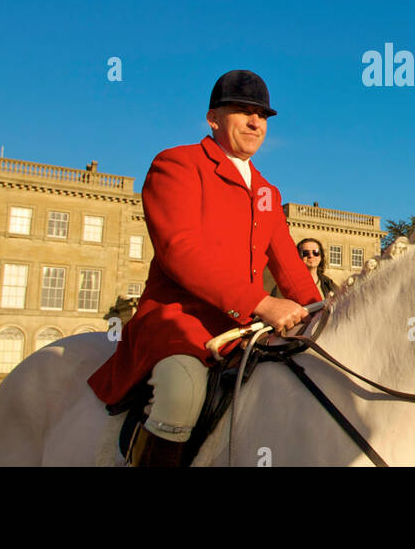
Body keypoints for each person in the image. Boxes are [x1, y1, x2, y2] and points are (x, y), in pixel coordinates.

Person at [87, 70, 322, 467]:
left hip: (244, 330)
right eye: (243, 112)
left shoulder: (267, 192)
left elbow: (289, 266)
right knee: (182, 393)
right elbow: (179, 251)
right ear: (213, 118)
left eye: (262, 116)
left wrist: (322, 312)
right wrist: (261, 303)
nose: (255, 123)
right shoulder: (176, 163)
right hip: (177, 322)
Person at [273, 238, 338, 298]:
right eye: (305, 253)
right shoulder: (287, 284)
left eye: (316, 252)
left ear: (321, 256)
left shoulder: (329, 284)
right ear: (298, 257)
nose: (311, 255)